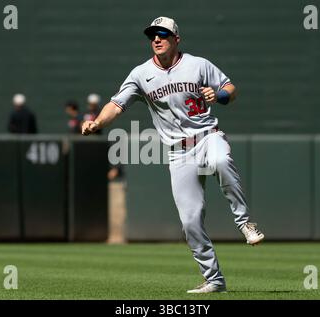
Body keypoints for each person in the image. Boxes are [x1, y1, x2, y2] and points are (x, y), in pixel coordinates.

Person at [82, 17, 265, 294]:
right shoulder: (141, 74)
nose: (156, 39)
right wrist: (97, 122)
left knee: (220, 160)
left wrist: (219, 95)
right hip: (179, 152)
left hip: (207, 136)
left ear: (176, 39)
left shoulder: (198, 64)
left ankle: (244, 222)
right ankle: (214, 279)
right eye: (153, 35)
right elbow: (117, 104)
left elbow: (231, 89)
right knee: (190, 220)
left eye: (163, 34)